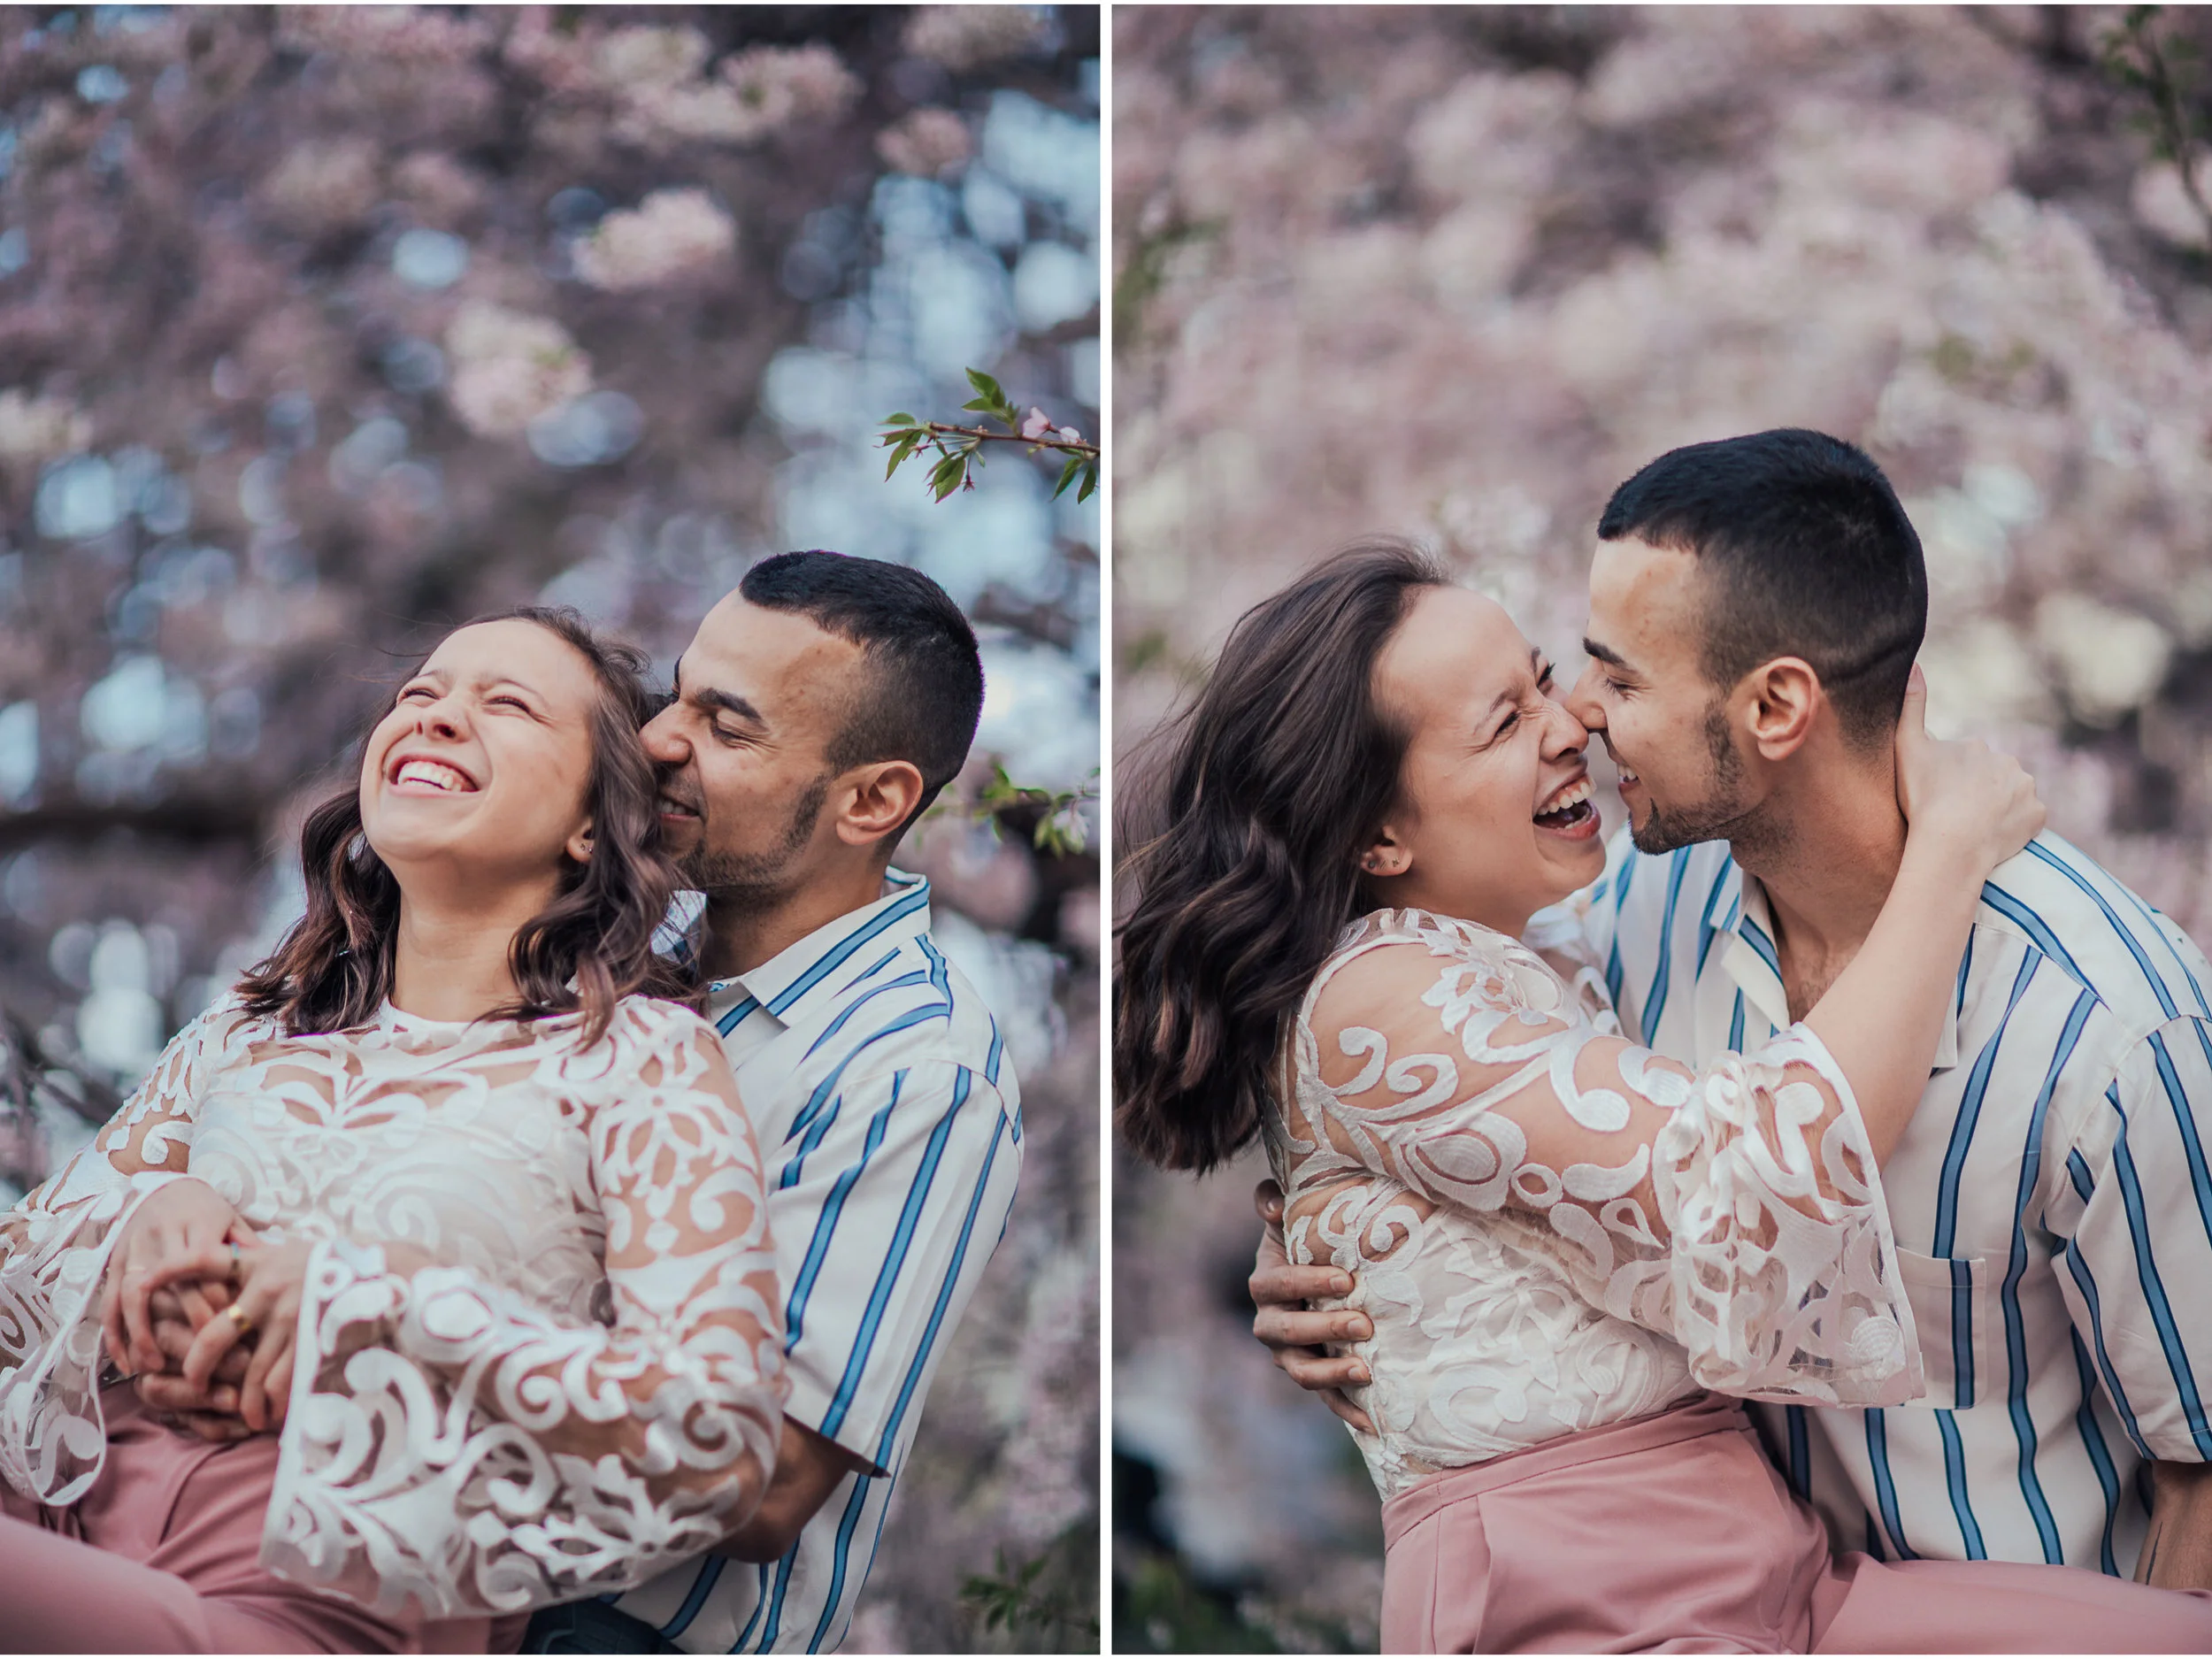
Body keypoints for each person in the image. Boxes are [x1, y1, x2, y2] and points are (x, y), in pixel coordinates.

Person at [1119, 537, 2212, 1649]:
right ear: (1378, 835)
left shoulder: (1567, 935)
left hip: (1763, 1556)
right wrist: (1948, 849)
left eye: (1546, 678)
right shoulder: (1375, 995)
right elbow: (1746, 1180)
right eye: (1505, 722)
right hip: (1586, 1584)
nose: (1571, 723)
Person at [127, 553, 1025, 1655]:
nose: (658, 744)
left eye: (727, 729)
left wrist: (371, 1321)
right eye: (678, 695)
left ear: (874, 800)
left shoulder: (916, 1071)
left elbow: (768, 1480)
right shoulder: (592, 981)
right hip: (374, 1555)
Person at [0, 608, 787, 1652]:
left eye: (505, 705)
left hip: (316, 1609)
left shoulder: (646, 1061)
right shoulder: (240, 1035)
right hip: (54, 1510)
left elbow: (719, 1436)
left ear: (590, 825)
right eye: (420, 694)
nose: (440, 716)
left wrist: (369, 1296)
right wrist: (151, 1209)